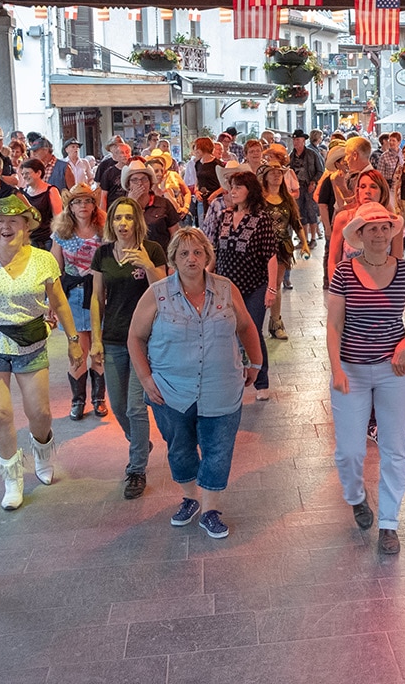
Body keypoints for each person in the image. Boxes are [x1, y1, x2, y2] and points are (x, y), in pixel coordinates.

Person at [127, 228, 262, 538]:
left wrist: (255, 362)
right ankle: (190, 498)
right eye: (184, 253)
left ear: (207, 257)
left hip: (221, 387)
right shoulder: (157, 293)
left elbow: (245, 326)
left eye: (198, 252)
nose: (191, 259)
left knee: (219, 449)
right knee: (180, 449)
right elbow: (135, 337)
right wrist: (146, 379)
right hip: (171, 391)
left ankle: (210, 510)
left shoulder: (226, 289)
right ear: (173, 259)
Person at [0, 195, 83, 510]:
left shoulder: (43, 260)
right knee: (0, 415)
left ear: (26, 226)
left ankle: (41, 454)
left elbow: (59, 301)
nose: (5, 227)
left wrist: (73, 339)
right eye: (0, 221)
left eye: (13, 221)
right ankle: (12, 477)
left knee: (40, 413)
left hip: (31, 342)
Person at [326, 203, 405, 555]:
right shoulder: (344, 272)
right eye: (372, 229)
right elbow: (334, 325)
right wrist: (336, 368)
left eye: (385, 228)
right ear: (360, 235)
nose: (380, 234)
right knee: (349, 451)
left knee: (394, 448)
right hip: (351, 369)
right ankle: (356, 496)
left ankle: (389, 523)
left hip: (394, 370)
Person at [91, 196, 168, 499]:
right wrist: (95, 339)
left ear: (138, 221)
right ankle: (140, 443)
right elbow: (96, 298)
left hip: (145, 340)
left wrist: (148, 265)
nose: (123, 223)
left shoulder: (153, 250)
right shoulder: (103, 254)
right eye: (117, 218)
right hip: (113, 338)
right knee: (119, 407)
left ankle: (136, 469)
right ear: (111, 223)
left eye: (128, 217)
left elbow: (164, 291)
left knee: (136, 406)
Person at [210, 171, 280, 400]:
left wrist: (271, 288)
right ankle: (234, 379)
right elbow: (216, 251)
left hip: (254, 285)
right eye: (232, 187)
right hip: (226, 286)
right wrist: (206, 275)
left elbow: (270, 255)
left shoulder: (261, 218)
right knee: (228, 332)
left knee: (251, 330)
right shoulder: (225, 216)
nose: (233, 191)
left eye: (239, 187)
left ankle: (261, 381)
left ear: (250, 191)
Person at [51, 184, 107, 420]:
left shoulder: (105, 231)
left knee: (98, 347)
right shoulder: (61, 234)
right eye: (77, 202)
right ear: (70, 207)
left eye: (87, 201)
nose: (83, 206)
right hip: (73, 296)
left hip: (100, 294)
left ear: (94, 205)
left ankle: (99, 399)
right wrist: (52, 303)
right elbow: (54, 270)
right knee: (77, 349)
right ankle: (78, 400)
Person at [260, 162, 308, 340]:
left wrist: (304, 243)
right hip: (261, 248)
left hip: (282, 247)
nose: (276, 175)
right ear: (265, 177)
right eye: (272, 172)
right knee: (260, 285)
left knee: (276, 284)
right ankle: (256, 323)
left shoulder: (287, 199)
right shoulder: (259, 199)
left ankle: (276, 322)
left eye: (279, 173)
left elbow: (296, 222)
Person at [122, 160, 180, 251]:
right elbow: (120, 233)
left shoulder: (164, 203)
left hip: (162, 255)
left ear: (150, 183)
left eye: (144, 179)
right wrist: (131, 203)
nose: (140, 183)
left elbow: (175, 234)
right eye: (134, 180)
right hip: (133, 255)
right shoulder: (121, 207)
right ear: (128, 185)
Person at [289, 130, 324, 245]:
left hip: (309, 187)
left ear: (303, 140)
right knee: (300, 213)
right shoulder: (292, 155)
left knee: (311, 211)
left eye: (297, 139)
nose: (295, 142)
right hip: (297, 188)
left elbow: (320, 170)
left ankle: (313, 238)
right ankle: (304, 239)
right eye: (294, 140)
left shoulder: (312, 153)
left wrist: (313, 182)